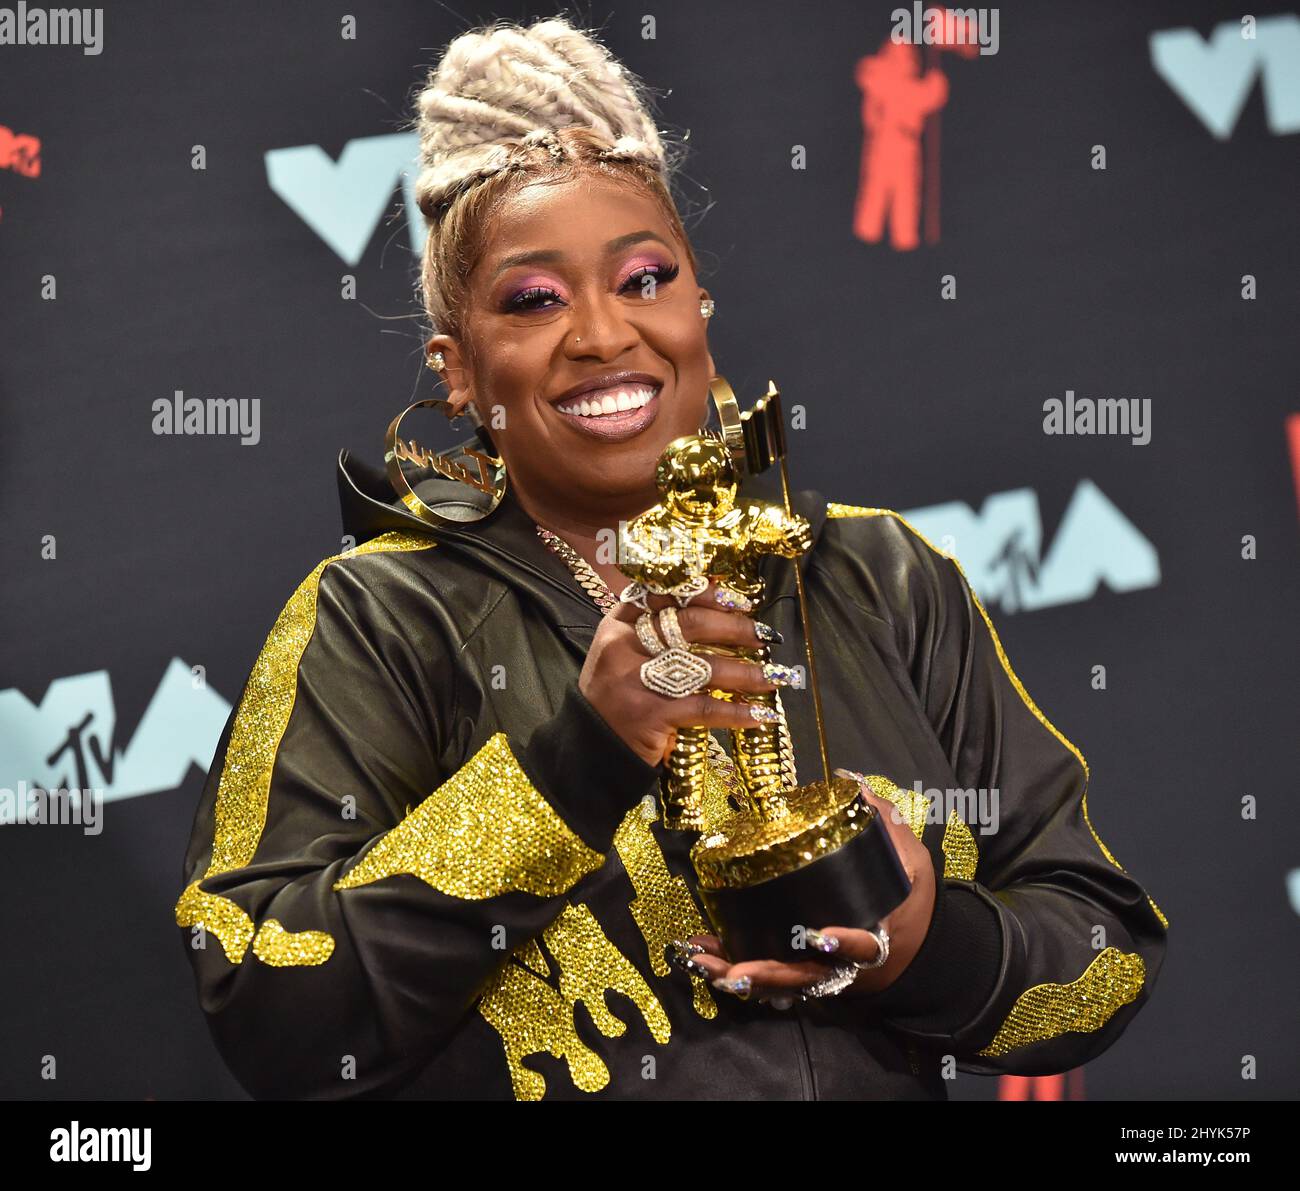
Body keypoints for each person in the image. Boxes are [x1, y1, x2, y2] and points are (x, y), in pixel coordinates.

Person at [174, 15, 1167, 1101]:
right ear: (459, 372)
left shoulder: (878, 574)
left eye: (644, 278)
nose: (604, 334)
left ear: (698, 306)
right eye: (533, 301)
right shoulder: (377, 618)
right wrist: (580, 759)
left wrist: (927, 942)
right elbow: (272, 1008)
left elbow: (1101, 958)